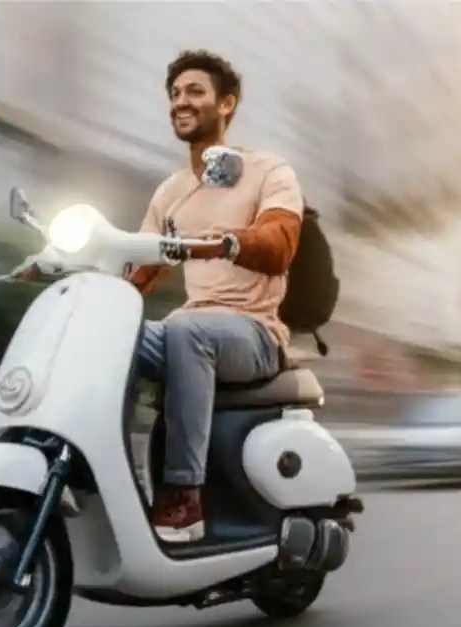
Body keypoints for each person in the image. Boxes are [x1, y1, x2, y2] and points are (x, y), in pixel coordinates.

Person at [129, 50, 305, 543]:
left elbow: (280, 242)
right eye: (174, 94)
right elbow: (138, 266)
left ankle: (184, 497)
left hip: (254, 332)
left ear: (226, 104)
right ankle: (89, 468)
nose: (180, 102)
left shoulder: (267, 170)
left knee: (187, 330)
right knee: (107, 333)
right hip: (192, 328)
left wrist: (231, 241)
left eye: (194, 91)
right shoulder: (171, 193)